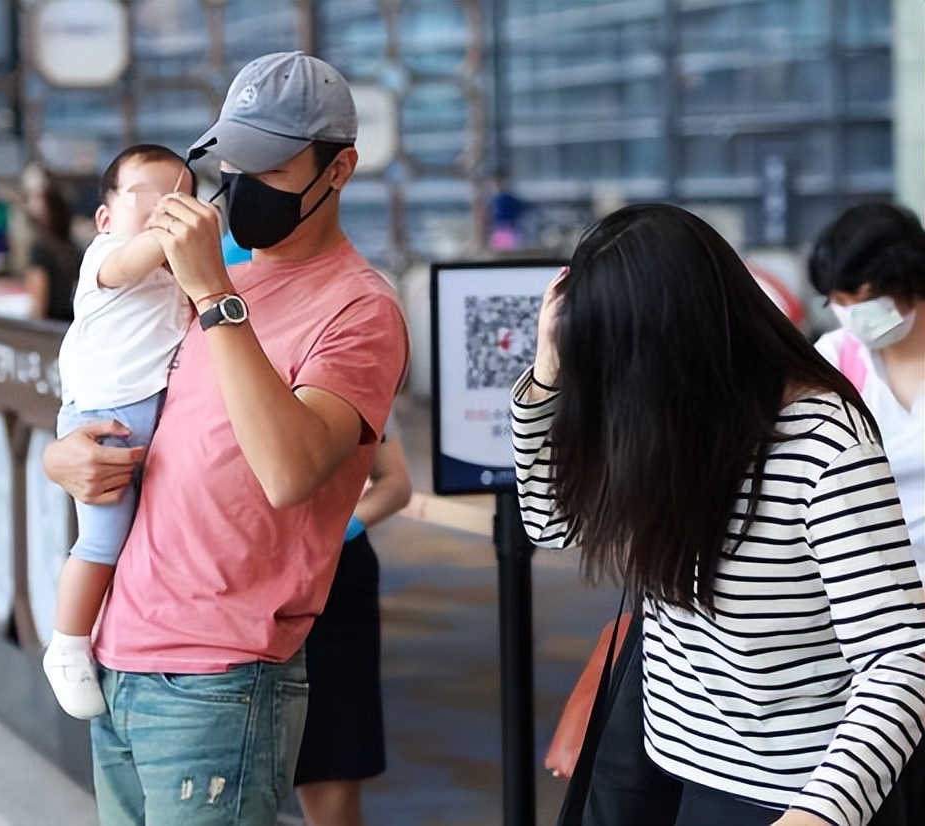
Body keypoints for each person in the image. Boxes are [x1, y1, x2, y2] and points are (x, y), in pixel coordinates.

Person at [43, 50, 409, 826]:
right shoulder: (202, 280)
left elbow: (288, 470)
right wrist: (62, 455)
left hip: (221, 674)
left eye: (269, 166)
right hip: (122, 652)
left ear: (338, 169)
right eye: (232, 162)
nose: (240, 187)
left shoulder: (358, 309)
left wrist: (214, 293)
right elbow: (110, 379)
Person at [512, 203, 925, 826]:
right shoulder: (663, 422)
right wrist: (547, 370)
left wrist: (820, 813)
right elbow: (550, 522)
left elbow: (898, 660)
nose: (610, 390)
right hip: (660, 752)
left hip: (781, 785)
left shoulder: (820, 445)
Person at [41, 144, 194, 719]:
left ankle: (106, 633)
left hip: (148, 411)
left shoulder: (176, 277)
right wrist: (180, 229)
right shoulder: (106, 258)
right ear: (105, 219)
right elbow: (139, 256)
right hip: (105, 418)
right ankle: (67, 643)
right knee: (103, 540)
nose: (166, 211)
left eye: (181, 200)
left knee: (138, 536)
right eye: (149, 199)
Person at [294, 415, 412, 826]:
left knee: (329, 781)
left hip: (333, 583)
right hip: (234, 581)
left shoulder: (348, 363)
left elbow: (396, 484)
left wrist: (332, 531)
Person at [808, 202, 925, 581]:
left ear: (909, 283)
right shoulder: (835, 361)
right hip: (877, 585)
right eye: (839, 303)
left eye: (862, 300)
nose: (852, 314)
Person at [24, 184, 81, 322]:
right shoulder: (74, 247)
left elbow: (39, 304)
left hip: (50, 328)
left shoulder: (41, 249)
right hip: (72, 323)